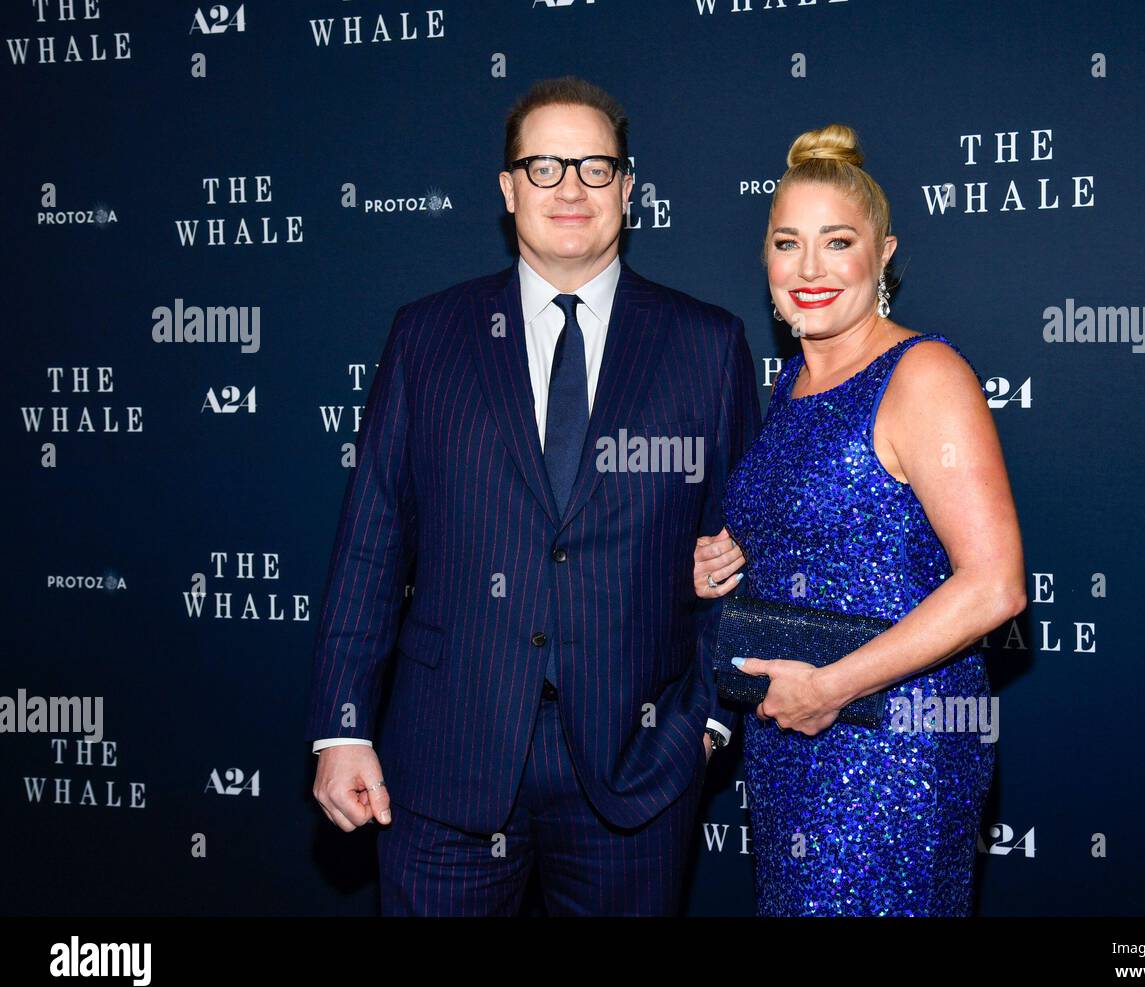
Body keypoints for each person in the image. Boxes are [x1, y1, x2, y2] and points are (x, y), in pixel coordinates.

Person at [305, 75, 760, 916]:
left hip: (639, 765)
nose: (571, 189)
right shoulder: (427, 336)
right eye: (544, 167)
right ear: (509, 188)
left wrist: (709, 728)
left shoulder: (707, 344)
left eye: (595, 167)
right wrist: (343, 726)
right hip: (444, 757)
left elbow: (741, 552)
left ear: (629, 188)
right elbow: (372, 538)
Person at [693, 124, 1026, 916]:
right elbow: (823, 532)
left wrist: (834, 687)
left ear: (883, 256)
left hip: (892, 749)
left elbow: (996, 587)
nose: (809, 269)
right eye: (787, 243)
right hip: (788, 735)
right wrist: (725, 560)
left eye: (836, 242)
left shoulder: (924, 374)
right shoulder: (790, 385)